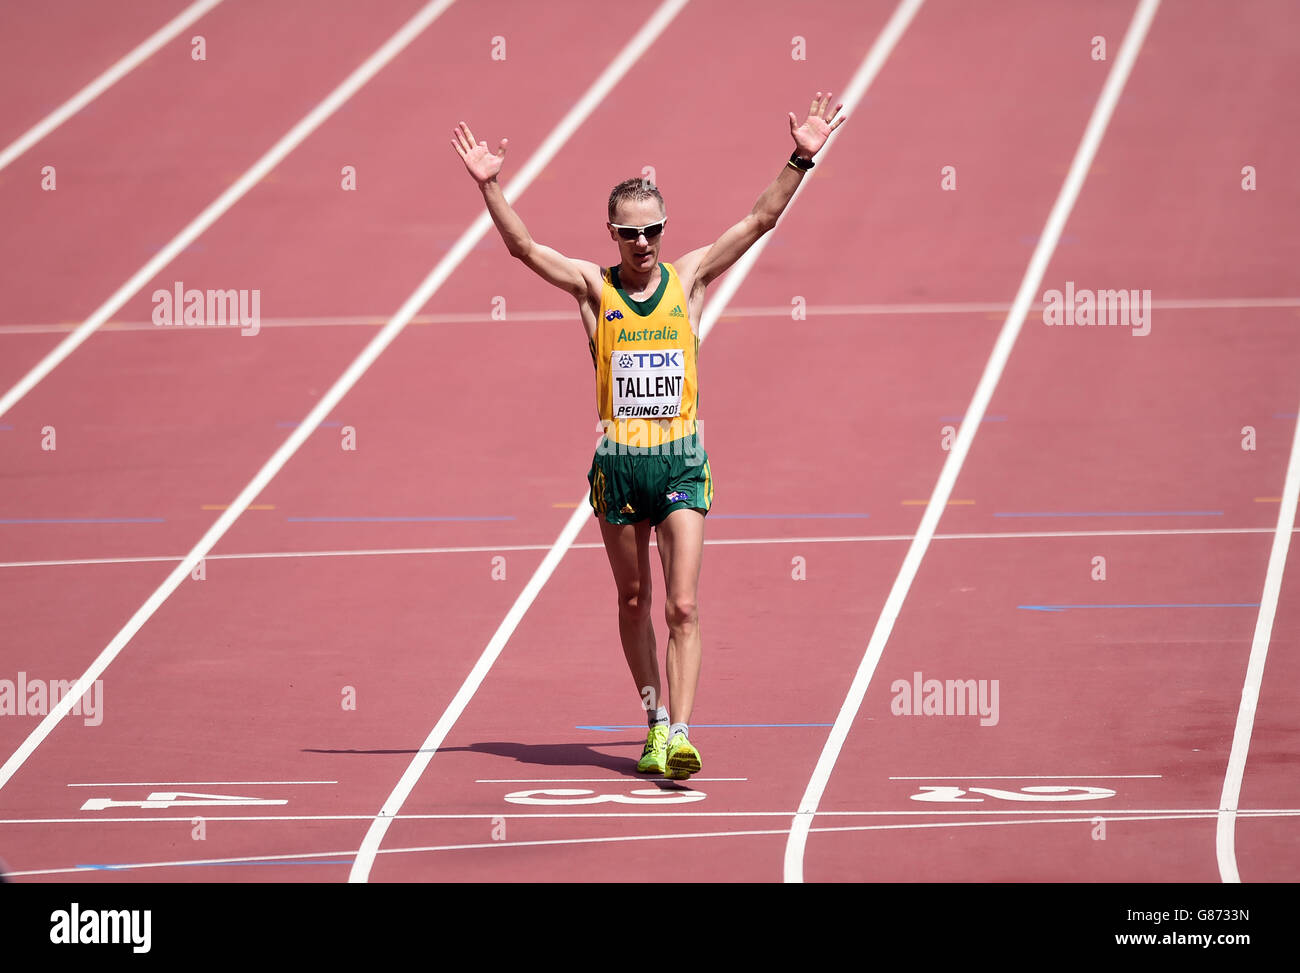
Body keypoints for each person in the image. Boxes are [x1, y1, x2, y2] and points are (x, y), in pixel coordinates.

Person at [452, 92, 844, 779]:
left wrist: (801, 157)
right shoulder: (592, 289)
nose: (642, 244)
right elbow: (521, 247)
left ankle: (684, 731)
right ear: (610, 232)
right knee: (633, 600)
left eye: (653, 231)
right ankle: (654, 722)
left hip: (681, 463)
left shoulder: (688, 277)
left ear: (665, 229)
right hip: (619, 466)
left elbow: (760, 218)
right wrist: (492, 186)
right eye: (630, 233)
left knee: (683, 602)